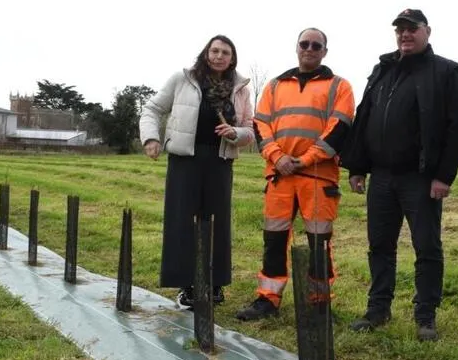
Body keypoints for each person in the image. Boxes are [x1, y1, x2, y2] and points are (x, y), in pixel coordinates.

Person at [340, 9, 458, 342]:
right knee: (379, 246)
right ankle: (377, 310)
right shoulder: (383, 69)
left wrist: (444, 176)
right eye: (399, 30)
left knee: (426, 247)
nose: (404, 34)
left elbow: (457, 129)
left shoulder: (445, 72)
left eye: (412, 29)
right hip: (382, 176)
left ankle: (425, 315)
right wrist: (357, 166)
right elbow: (365, 115)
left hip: (421, 178)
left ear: (427, 31)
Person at [235, 28, 356, 321]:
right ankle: (268, 300)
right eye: (305, 43)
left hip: (318, 178)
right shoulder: (275, 86)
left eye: (317, 45)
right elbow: (260, 125)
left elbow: (338, 128)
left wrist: (304, 160)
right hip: (280, 177)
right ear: (297, 47)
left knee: (319, 242)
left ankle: (318, 303)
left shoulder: (340, 87)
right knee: (273, 239)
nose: (310, 48)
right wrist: (278, 158)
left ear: (325, 51)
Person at [139, 34, 255, 311]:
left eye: (225, 52)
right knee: (183, 222)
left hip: (219, 161)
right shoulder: (183, 80)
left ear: (232, 58)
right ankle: (187, 287)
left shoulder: (240, 88)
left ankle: (214, 285)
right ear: (206, 53)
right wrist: (151, 138)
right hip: (185, 161)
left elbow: (250, 129)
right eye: (214, 51)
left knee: (216, 223)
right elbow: (152, 109)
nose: (219, 56)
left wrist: (235, 132)